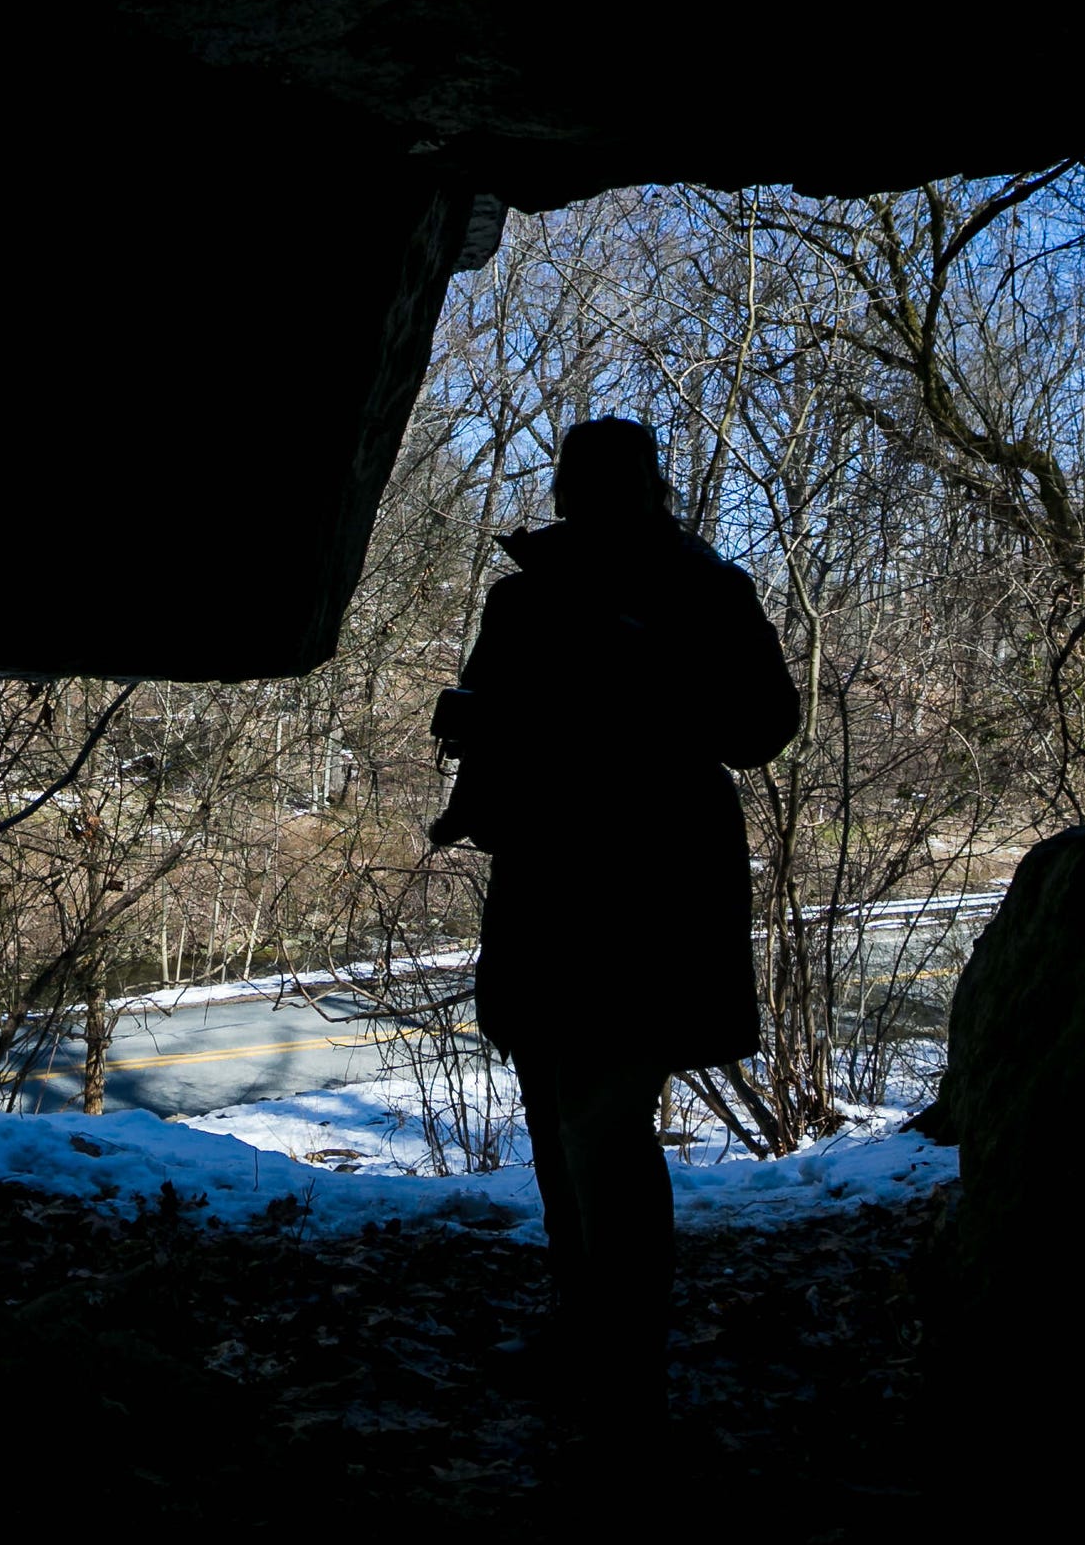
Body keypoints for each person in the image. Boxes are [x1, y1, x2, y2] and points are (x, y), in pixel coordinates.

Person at [427, 417, 799, 1435]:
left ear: (650, 486)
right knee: (556, 1103)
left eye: (616, 478)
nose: (596, 496)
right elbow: (499, 709)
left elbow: (762, 725)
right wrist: (472, 730)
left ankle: (622, 1350)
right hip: (552, 875)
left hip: (651, 885)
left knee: (598, 1111)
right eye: (583, 479)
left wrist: (650, 666)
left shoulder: (705, 590)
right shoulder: (524, 595)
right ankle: (589, 1323)